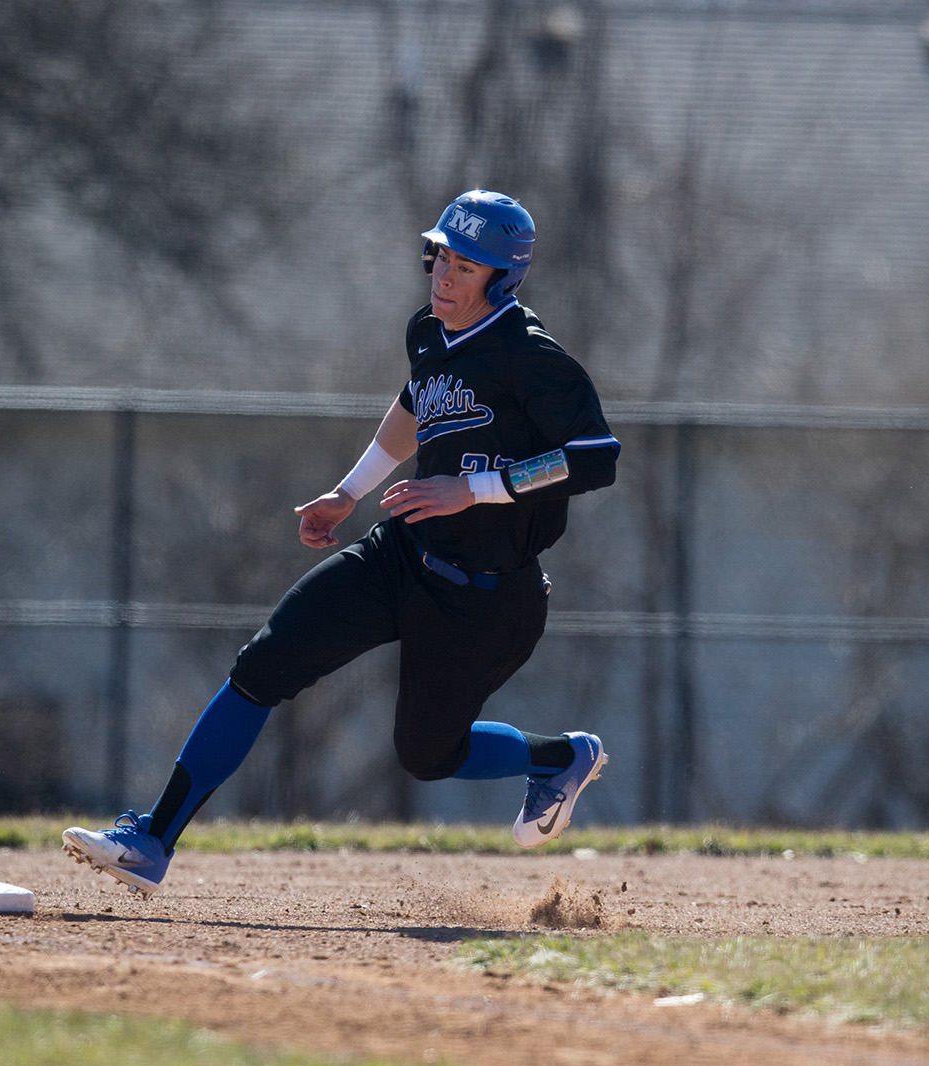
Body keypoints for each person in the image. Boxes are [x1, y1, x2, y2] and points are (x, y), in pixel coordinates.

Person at [64, 190, 622, 897]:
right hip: (402, 555)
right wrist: (349, 492)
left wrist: (477, 490)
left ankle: (560, 757)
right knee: (263, 665)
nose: (445, 277)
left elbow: (597, 457)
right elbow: (417, 404)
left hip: (489, 598)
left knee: (426, 755)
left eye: (467, 266)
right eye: (442, 258)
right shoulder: (428, 331)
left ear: (501, 278)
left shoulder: (529, 355)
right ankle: (150, 840)